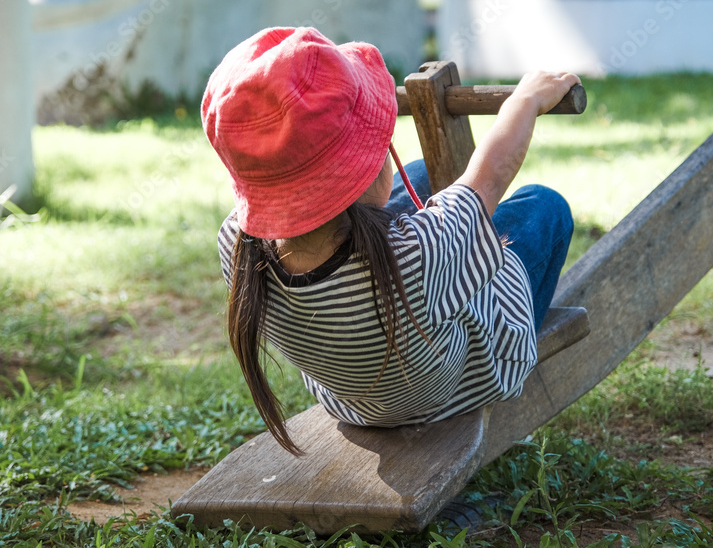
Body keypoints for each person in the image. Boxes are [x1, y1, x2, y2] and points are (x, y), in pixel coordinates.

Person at [202, 27, 578, 455]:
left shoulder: (237, 244)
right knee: (544, 207)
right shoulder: (418, 254)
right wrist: (525, 100)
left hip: (353, 403)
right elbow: (491, 174)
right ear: (358, 168)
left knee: (418, 173)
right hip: (462, 383)